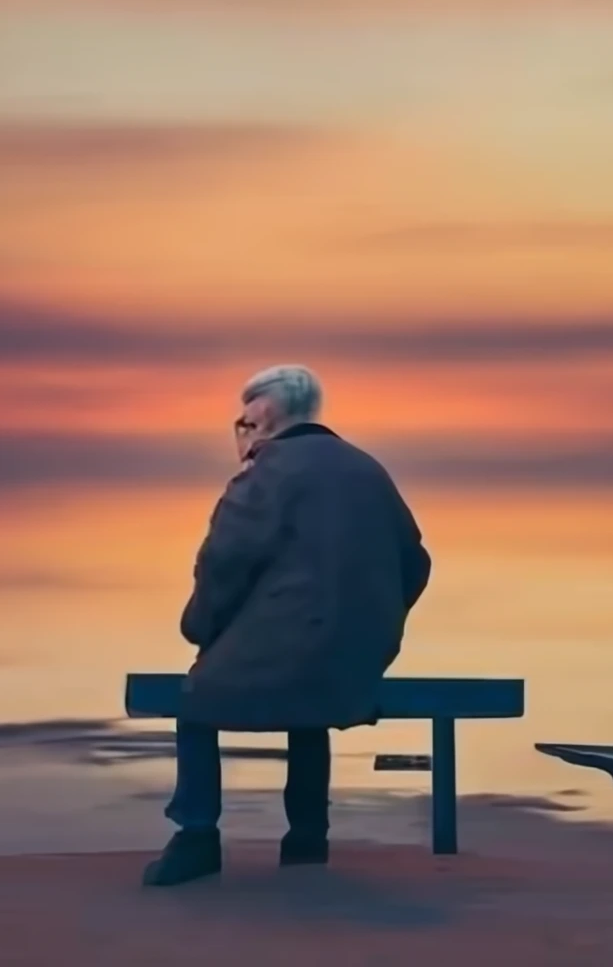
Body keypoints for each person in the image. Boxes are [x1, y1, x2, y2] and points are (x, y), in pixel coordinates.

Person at [142, 365, 431, 886]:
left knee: (197, 699)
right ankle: (306, 840)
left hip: (297, 646)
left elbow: (226, 561)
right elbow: (416, 562)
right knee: (308, 707)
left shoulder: (268, 472)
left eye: (244, 422)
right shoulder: (368, 469)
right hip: (355, 655)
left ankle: (196, 838)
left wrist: (201, 628)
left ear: (268, 416)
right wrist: (376, 620)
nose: (242, 433)